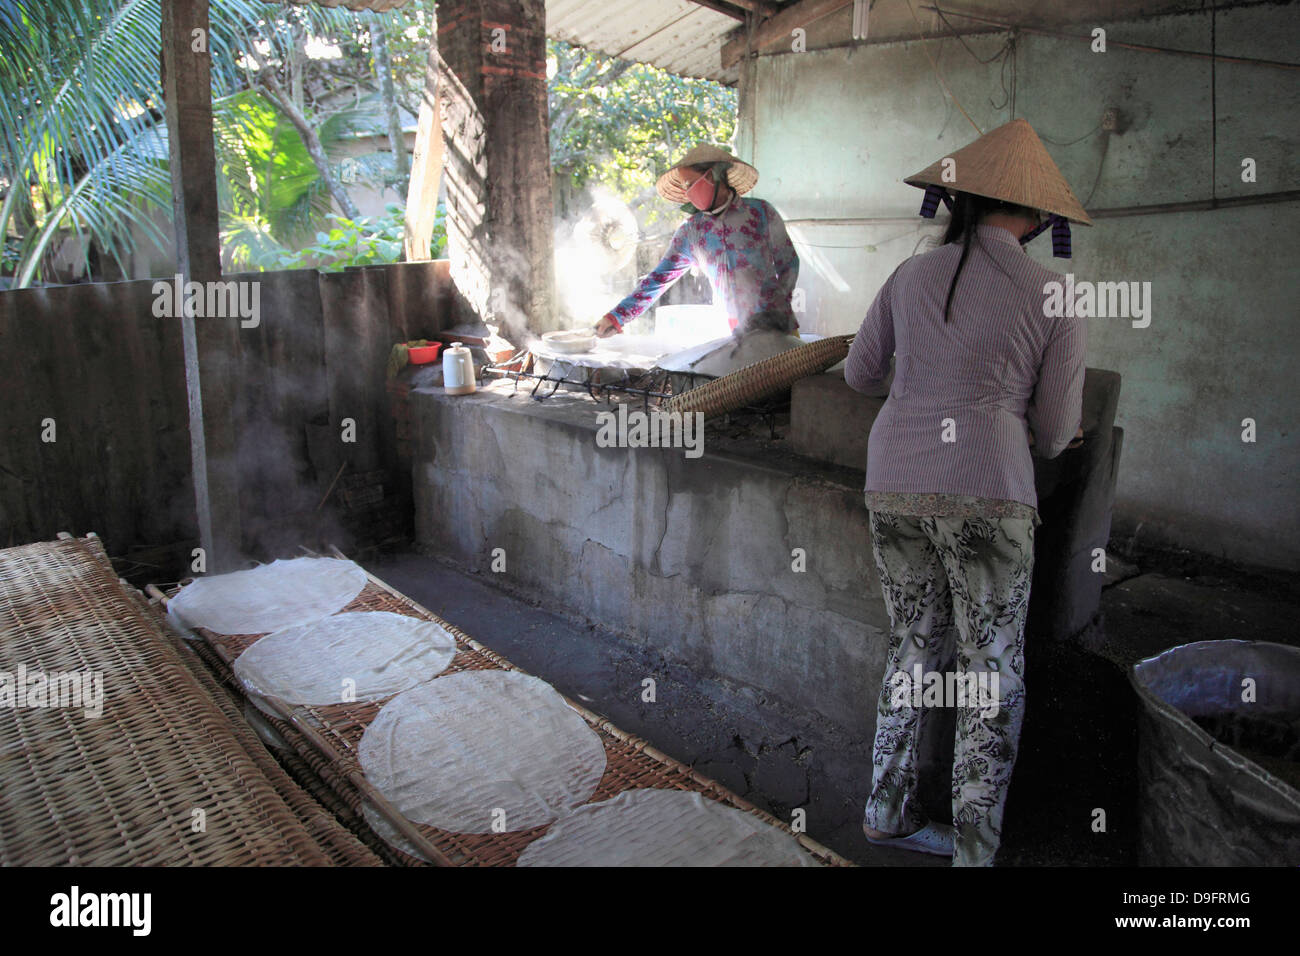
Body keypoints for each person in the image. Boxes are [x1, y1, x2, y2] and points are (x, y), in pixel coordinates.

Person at [844, 118, 1091, 867]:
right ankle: (975, 849)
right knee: (991, 669)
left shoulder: (908, 275)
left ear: (960, 201)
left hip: (894, 484)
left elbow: (858, 375)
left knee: (913, 650)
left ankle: (885, 812)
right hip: (991, 493)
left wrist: (924, 380)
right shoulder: (1054, 293)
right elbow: (1053, 434)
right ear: (1039, 218)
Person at [594, 145, 799, 339]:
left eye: (690, 184)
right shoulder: (692, 232)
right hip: (735, 333)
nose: (688, 193)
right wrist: (617, 317)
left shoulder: (760, 213)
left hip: (779, 326)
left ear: (712, 176)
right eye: (685, 188)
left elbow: (789, 262)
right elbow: (657, 280)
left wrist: (779, 304)